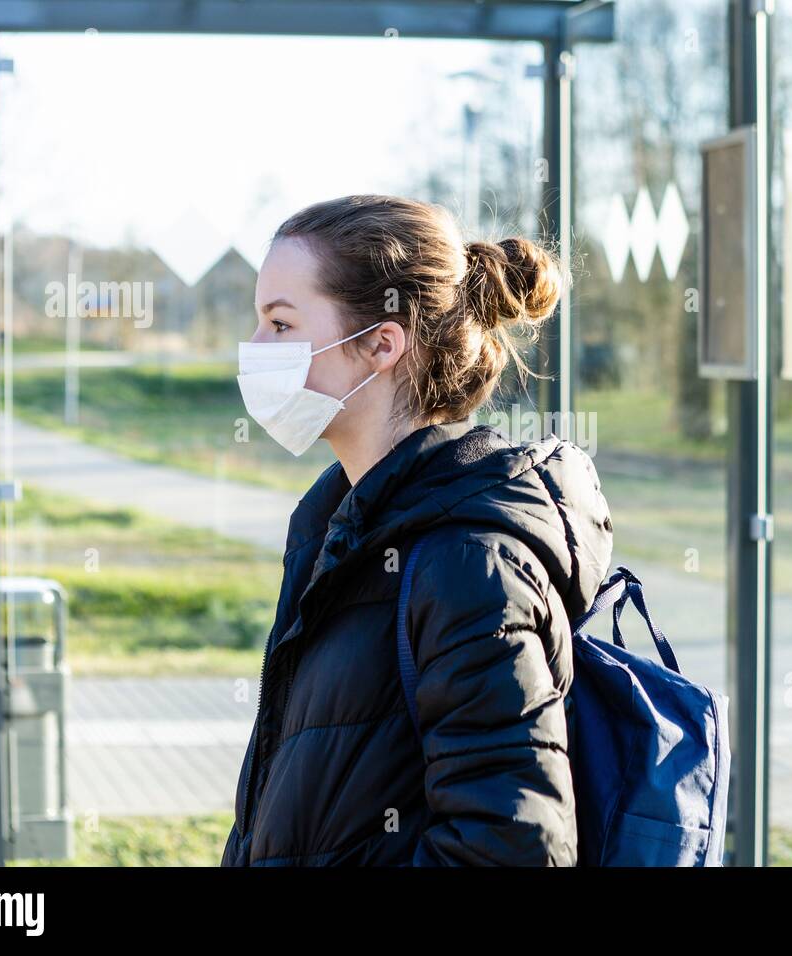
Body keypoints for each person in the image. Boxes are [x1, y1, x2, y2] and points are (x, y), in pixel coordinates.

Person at [221, 195, 614, 866]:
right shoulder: (339, 529)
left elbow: (512, 847)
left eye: (280, 324)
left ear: (381, 343)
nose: (254, 351)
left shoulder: (468, 561)